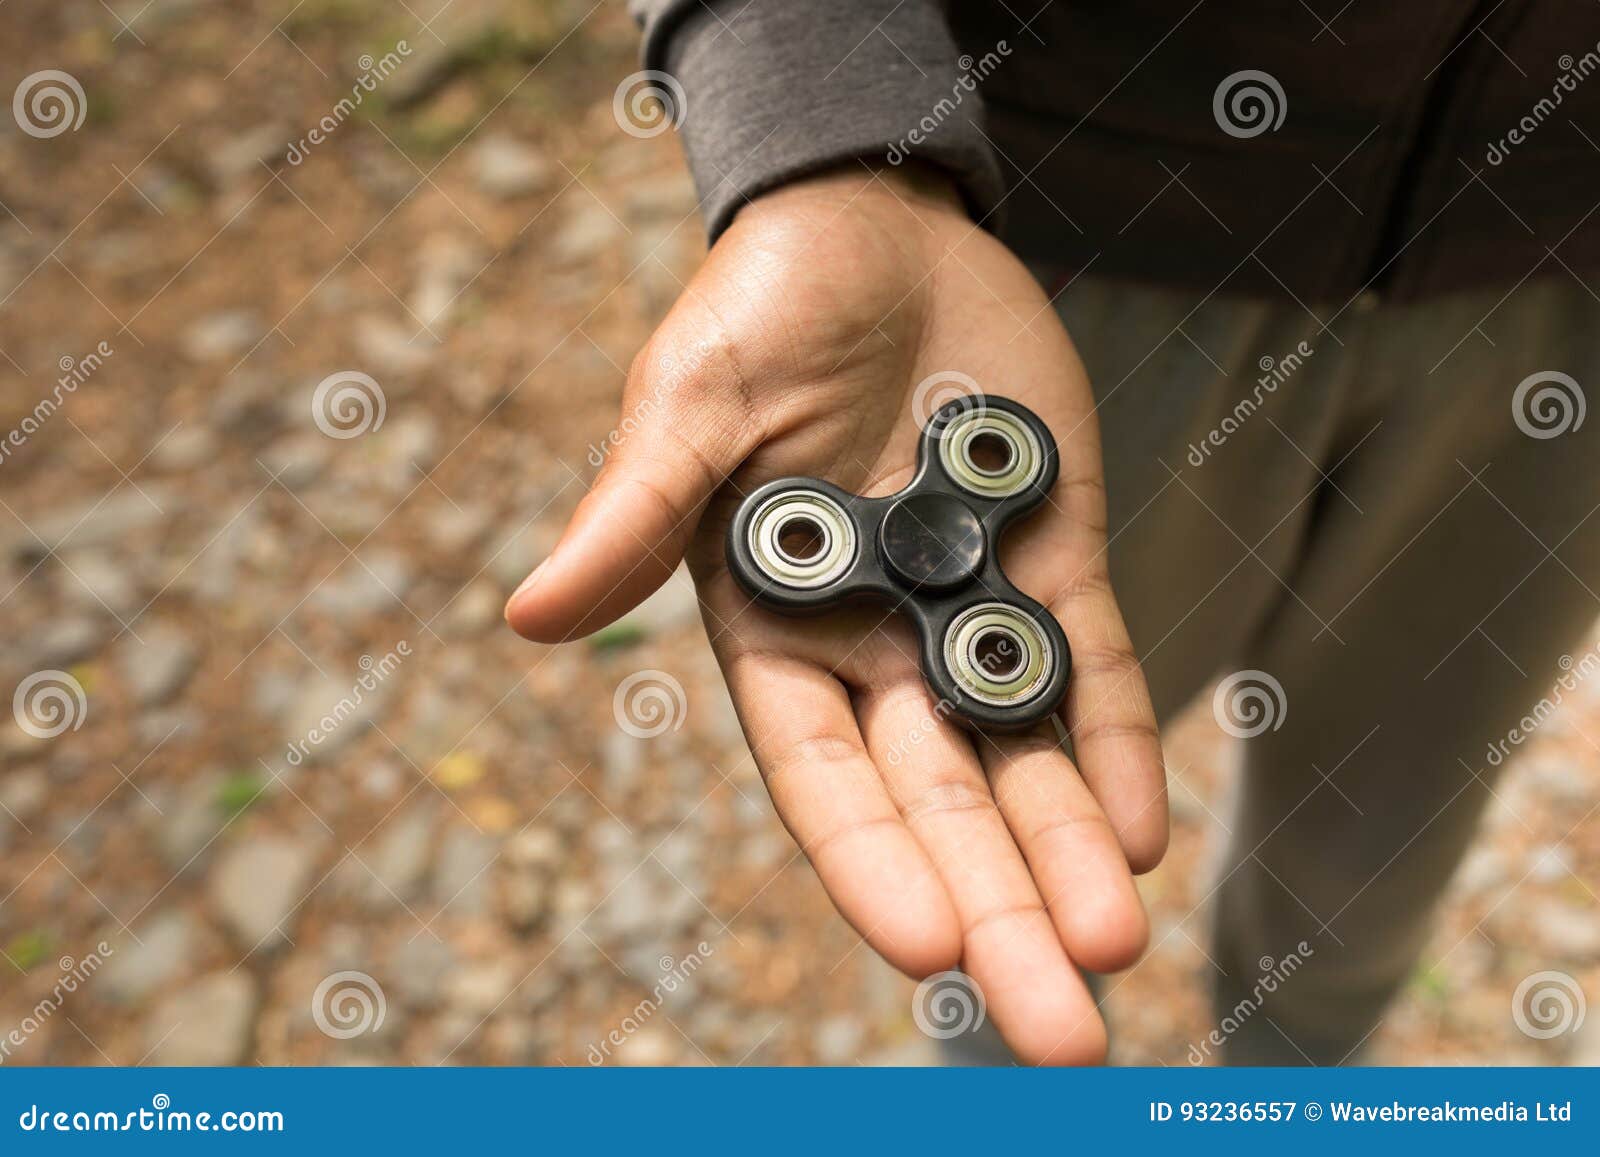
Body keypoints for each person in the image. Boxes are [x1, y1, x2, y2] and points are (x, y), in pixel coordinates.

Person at [506, 1, 1600, 1064]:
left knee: (1378, 833)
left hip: (1567, 260)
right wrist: (822, 128)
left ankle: (1304, 1084)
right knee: (1023, 847)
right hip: (1053, 248)